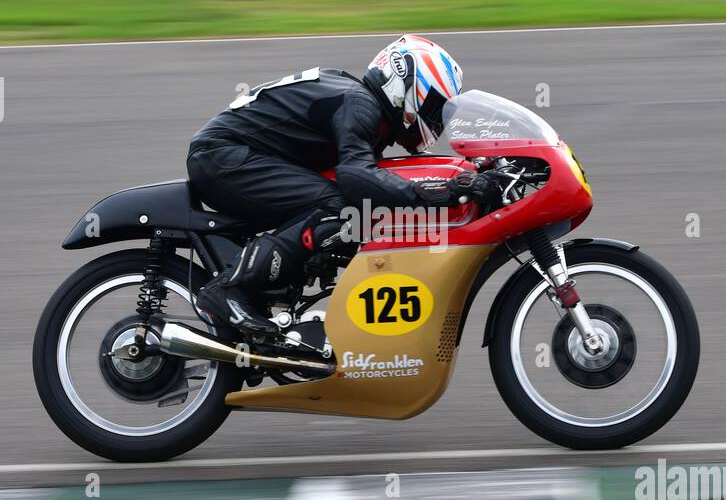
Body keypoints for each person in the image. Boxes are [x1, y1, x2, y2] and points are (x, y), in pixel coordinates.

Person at [186, 34, 500, 334]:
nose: (434, 122)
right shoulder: (359, 103)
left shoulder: (358, 102)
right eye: (432, 108)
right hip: (224, 158)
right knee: (339, 205)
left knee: (347, 207)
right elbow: (355, 176)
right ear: (404, 85)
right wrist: (434, 193)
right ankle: (229, 290)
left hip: (233, 156)